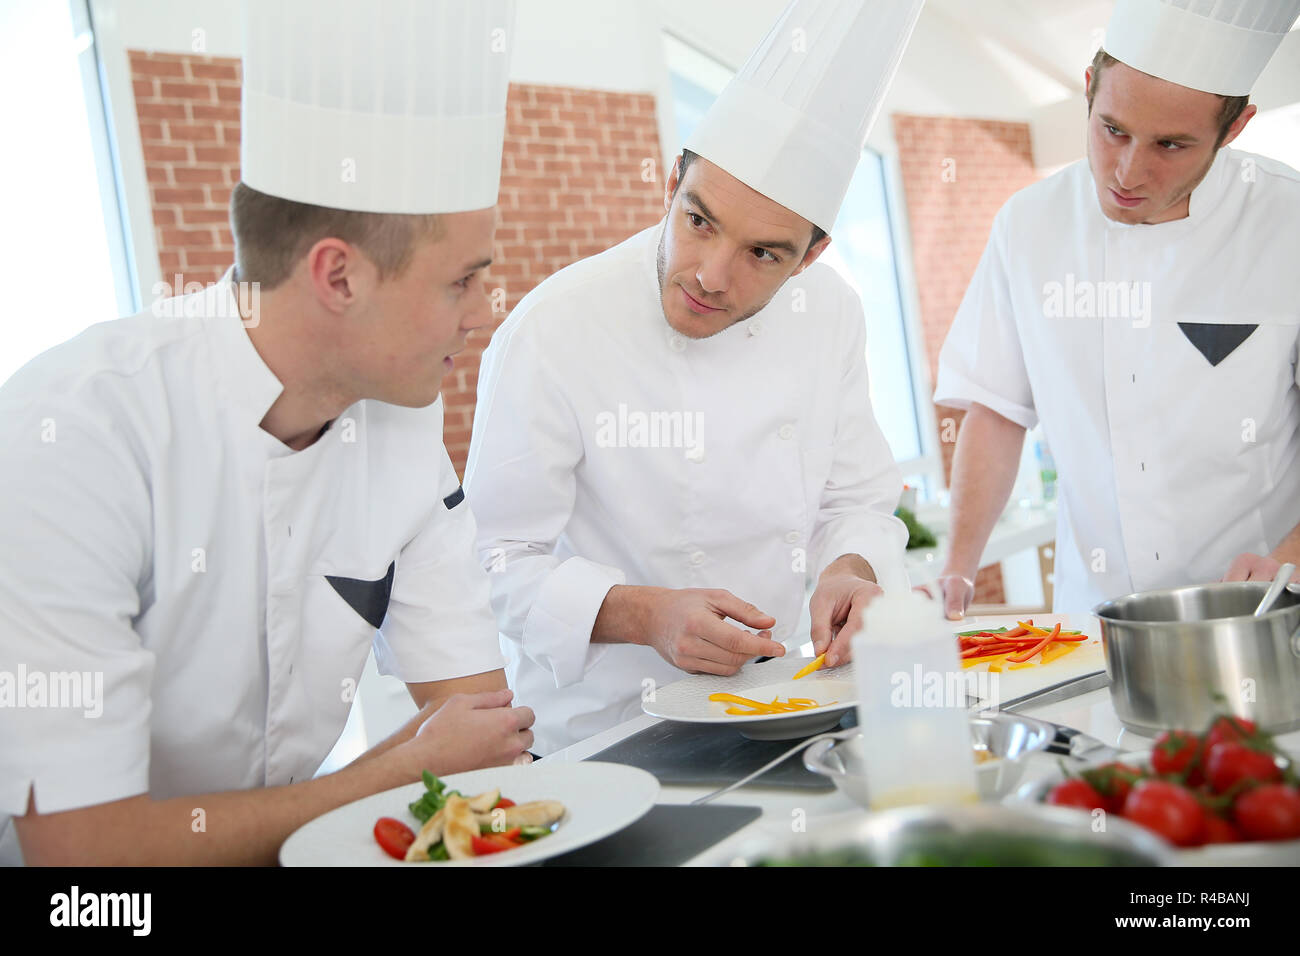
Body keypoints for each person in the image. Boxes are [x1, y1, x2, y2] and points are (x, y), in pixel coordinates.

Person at [0, 0, 533, 866]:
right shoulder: (74, 435)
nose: (483, 313)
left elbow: (477, 733)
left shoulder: (399, 419)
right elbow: (83, 856)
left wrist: (425, 774)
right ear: (338, 275)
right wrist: (382, 778)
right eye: (463, 282)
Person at [465, 0, 923, 754]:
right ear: (672, 183)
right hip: (604, 740)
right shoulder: (555, 328)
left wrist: (849, 569)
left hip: (777, 711)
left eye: (764, 255)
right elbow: (493, 560)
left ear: (811, 256)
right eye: (699, 220)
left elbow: (856, 497)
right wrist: (641, 613)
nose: (710, 276)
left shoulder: (832, 311)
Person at [932, 0, 1300, 620]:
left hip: (1265, 616)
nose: (1129, 171)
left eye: (1171, 145)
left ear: (1233, 130)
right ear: (1088, 91)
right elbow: (997, 410)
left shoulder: (1287, 223)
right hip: (1095, 621)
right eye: (1113, 130)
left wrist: (1289, 559)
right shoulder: (1028, 226)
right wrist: (956, 570)